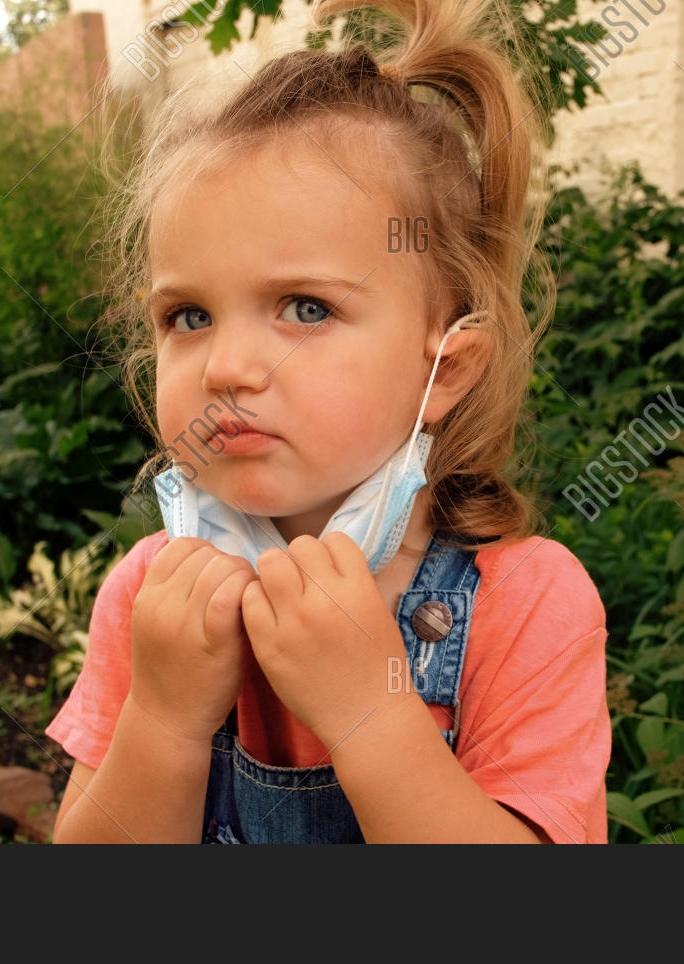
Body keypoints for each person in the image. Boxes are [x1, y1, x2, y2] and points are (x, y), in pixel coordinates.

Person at [46, 0, 608, 844]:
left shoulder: (524, 604)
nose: (228, 366)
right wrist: (162, 722)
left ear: (445, 367)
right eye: (188, 317)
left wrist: (369, 714)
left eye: (305, 307)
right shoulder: (148, 597)